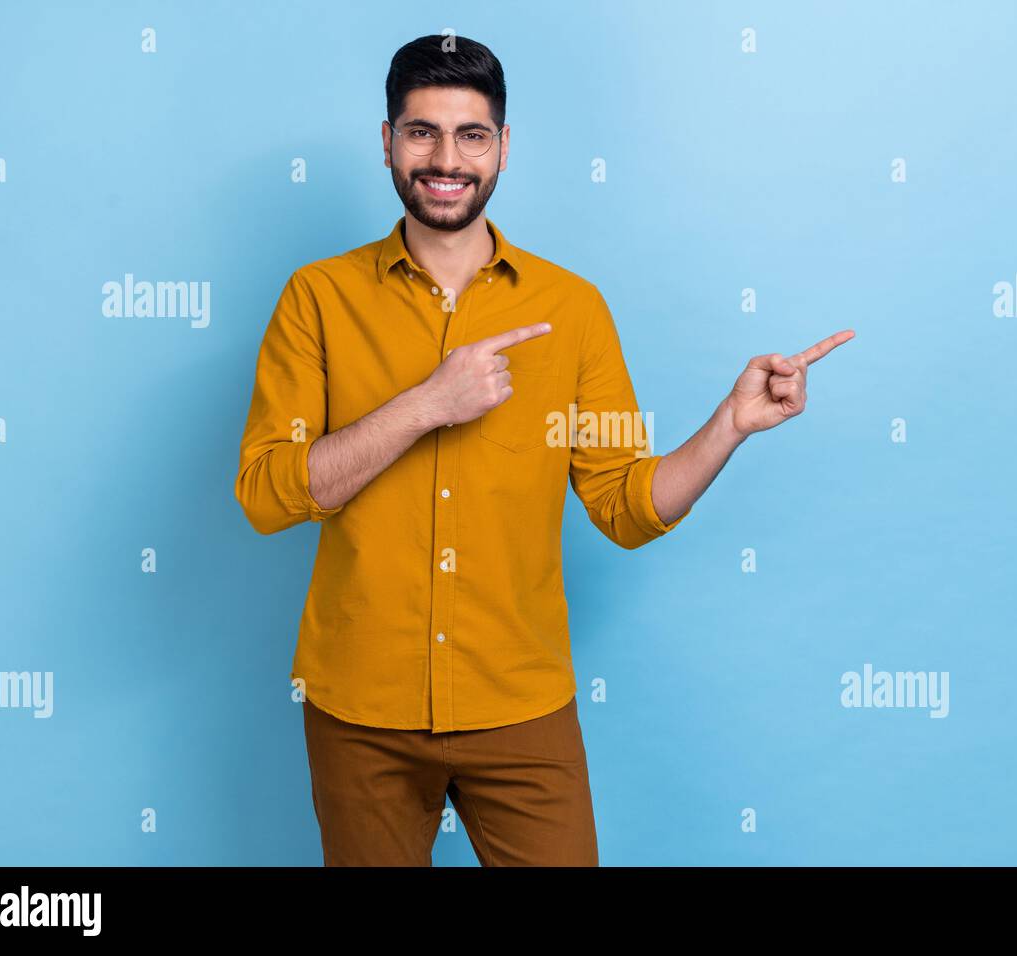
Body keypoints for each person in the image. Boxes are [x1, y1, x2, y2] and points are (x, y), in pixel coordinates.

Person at [233, 33, 854, 866]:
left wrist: (729, 427)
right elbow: (268, 495)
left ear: (502, 147)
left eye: (471, 135)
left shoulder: (573, 309)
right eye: (421, 132)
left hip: (522, 708)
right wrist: (425, 405)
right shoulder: (317, 298)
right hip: (358, 711)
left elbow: (628, 507)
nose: (445, 158)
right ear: (386, 142)